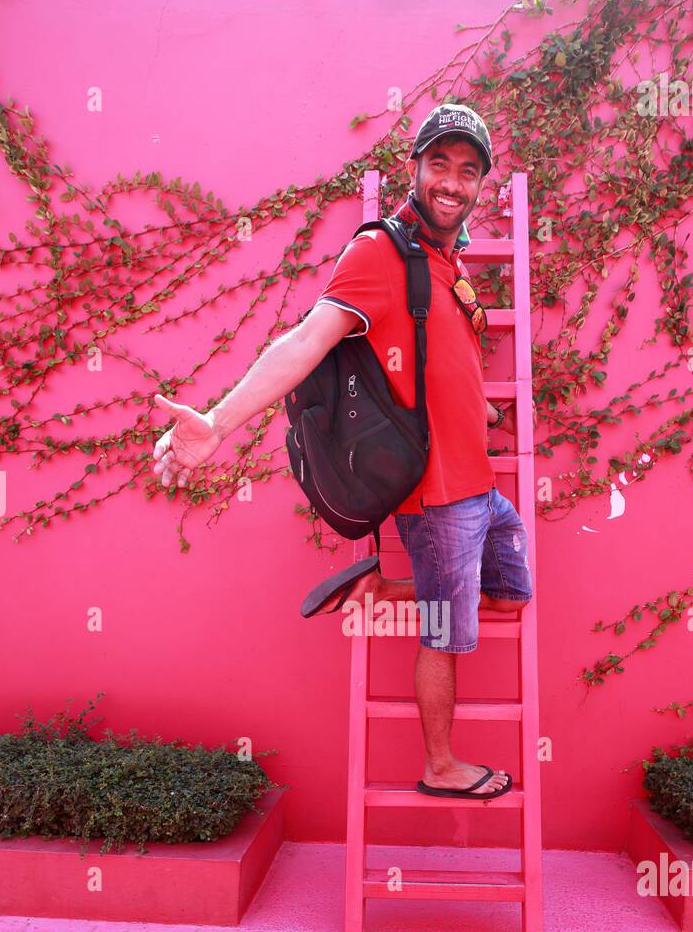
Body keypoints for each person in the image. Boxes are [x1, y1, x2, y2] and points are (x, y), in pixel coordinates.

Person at [152, 103, 533, 801]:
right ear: (414, 170)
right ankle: (440, 766)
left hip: (479, 484)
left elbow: (430, 359)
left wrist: (476, 404)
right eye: (440, 165)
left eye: (468, 171)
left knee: (508, 596)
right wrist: (217, 420)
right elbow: (303, 342)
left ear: (481, 185)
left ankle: (383, 587)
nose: (453, 182)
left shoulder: (445, 265)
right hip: (437, 496)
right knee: (448, 633)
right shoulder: (380, 253)